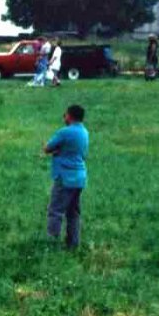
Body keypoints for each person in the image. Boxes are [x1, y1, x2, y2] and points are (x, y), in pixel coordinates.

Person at [43, 104, 89, 249]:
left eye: (65, 114)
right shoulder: (84, 132)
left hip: (65, 177)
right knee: (73, 212)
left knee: (55, 211)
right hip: (80, 178)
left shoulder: (65, 132)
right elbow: (81, 154)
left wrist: (53, 150)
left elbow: (47, 148)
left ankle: (51, 243)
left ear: (69, 116)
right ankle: (73, 244)